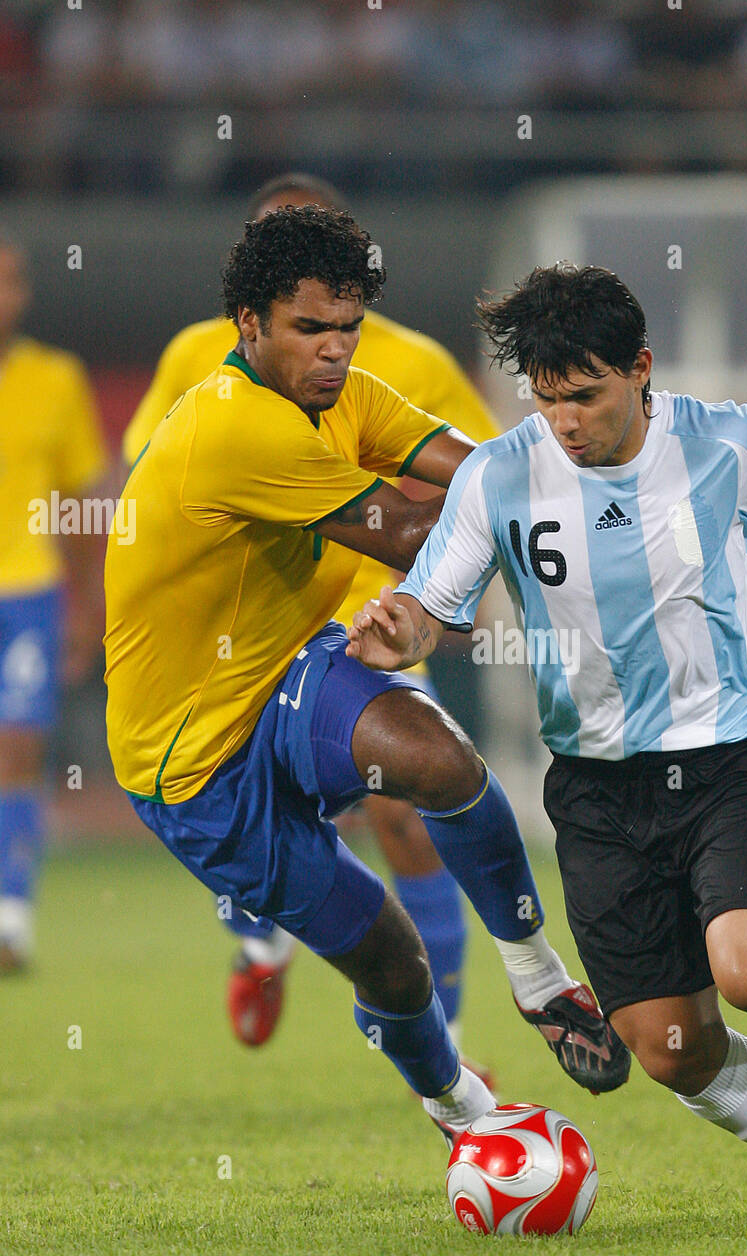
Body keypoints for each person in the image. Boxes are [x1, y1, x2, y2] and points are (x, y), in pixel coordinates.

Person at [349, 262, 747, 1213]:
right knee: (673, 1053)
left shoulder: (724, 442)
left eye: (586, 396)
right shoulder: (499, 472)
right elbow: (434, 606)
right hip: (596, 786)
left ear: (639, 370)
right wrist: (404, 632)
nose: (565, 421)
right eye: (548, 398)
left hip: (731, 757)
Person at [104, 214, 629, 1145]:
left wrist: (592, 472)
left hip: (287, 673)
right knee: (391, 962)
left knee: (445, 763)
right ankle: (461, 1110)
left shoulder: (351, 389)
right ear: (248, 325)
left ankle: (538, 974)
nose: (334, 351)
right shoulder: (234, 428)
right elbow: (412, 530)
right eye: (310, 329)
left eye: (346, 327)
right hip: (193, 764)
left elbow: (473, 474)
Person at [123, 173, 500, 1054]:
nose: (328, 340)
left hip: (357, 625)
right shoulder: (200, 366)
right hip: (223, 652)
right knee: (293, 839)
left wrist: (445, 604)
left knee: (408, 805)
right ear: (251, 304)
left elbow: (494, 477)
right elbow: (150, 477)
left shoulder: (409, 364)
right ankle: (264, 934)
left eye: (341, 315)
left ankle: (448, 1030)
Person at [0, 236, 106, 973]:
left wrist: (83, 609)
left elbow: (79, 504)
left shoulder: (55, 378)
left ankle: (10, 918)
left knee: (18, 749)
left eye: (9, 278)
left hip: (28, 590)